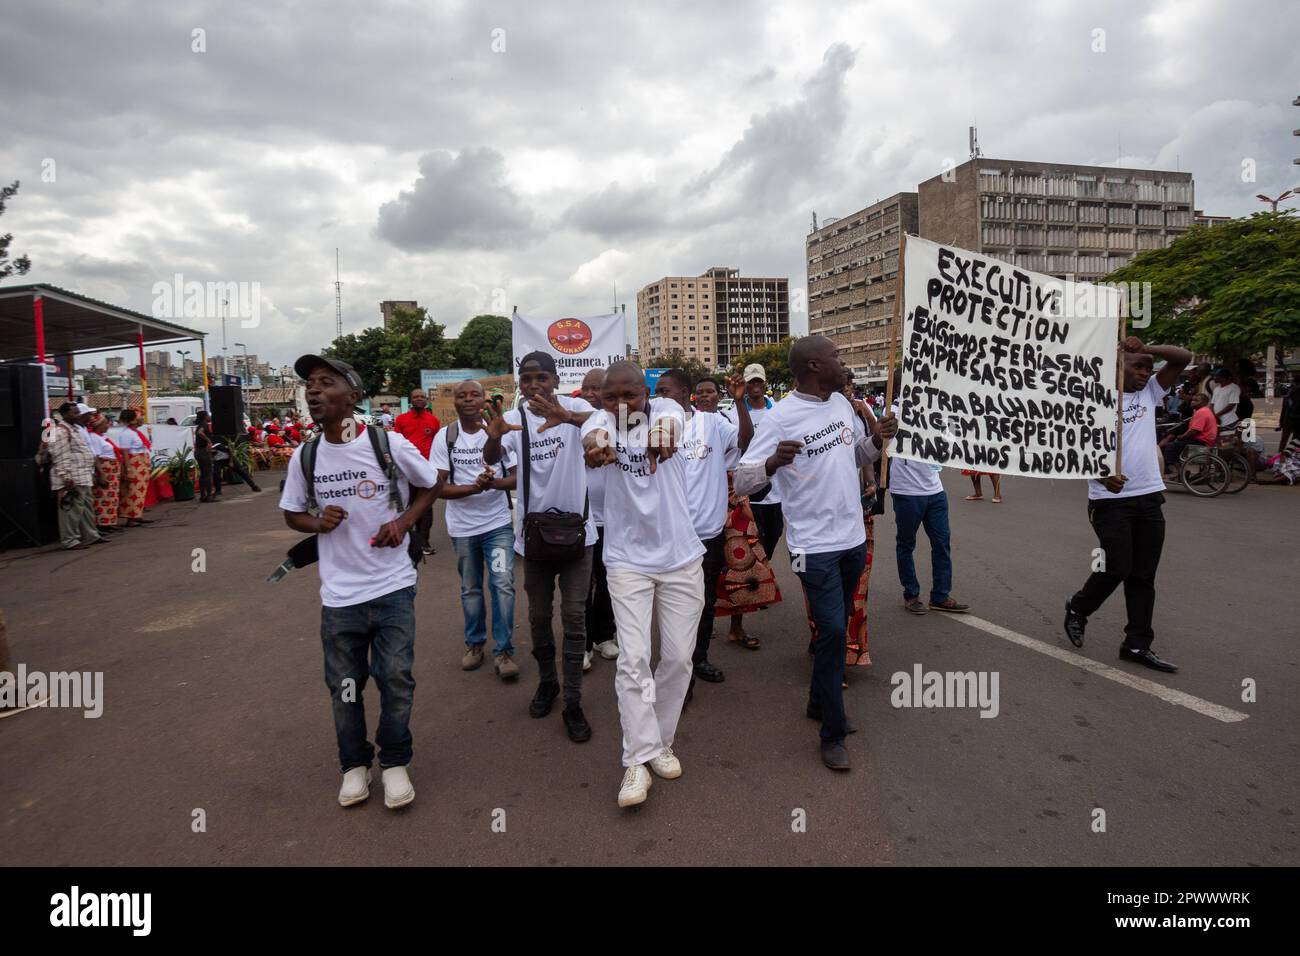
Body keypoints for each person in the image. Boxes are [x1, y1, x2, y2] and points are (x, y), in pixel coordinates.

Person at [280, 355, 438, 810]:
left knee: (395, 679)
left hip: (392, 587)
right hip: (339, 596)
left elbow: (430, 484)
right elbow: (292, 512)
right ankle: (353, 766)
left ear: (352, 396)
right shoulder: (304, 455)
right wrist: (315, 523)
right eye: (310, 384)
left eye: (325, 383)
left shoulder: (386, 445)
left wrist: (405, 522)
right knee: (344, 685)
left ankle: (393, 762)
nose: (314, 391)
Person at [735, 337, 896, 771]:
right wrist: (771, 464)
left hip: (851, 539)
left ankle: (816, 702)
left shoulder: (842, 406)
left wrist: (878, 441)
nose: (843, 362)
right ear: (813, 365)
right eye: (835, 357)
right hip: (811, 547)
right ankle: (833, 732)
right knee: (830, 630)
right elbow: (742, 482)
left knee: (836, 626)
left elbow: (855, 456)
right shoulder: (781, 416)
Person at [581, 361, 700, 807]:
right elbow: (592, 439)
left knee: (678, 658)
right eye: (611, 397)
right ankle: (636, 759)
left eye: (630, 395)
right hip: (627, 561)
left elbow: (669, 427)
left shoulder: (668, 408)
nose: (620, 405)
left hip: (680, 557)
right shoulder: (598, 420)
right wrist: (596, 446)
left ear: (645, 393)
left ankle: (659, 741)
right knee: (634, 658)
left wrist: (661, 440)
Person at [482, 351, 596, 743]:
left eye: (541, 378)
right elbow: (494, 459)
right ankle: (548, 682)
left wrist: (569, 418)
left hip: (580, 535)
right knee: (539, 616)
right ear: (520, 382)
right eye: (527, 379)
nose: (534, 386)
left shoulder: (579, 407)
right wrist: (494, 440)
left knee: (576, 617)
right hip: (533, 538)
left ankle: (573, 702)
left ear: (555, 378)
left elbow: (611, 428)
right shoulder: (516, 419)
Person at [1064, 337, 1191, 673]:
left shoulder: (1150, 392)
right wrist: (1100, 474)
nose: (1145, 373)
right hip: (1110, 500)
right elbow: (1069, 448)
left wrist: (1148, 348)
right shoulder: (1092, 400)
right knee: (1118, 565)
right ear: (1117, 366)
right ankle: (1079, 607)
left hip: (1149, 495)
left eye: (1148, 367)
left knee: (1143, 574)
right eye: (1138, 366)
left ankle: (1137, 643)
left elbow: (1183, 357)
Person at [654, 368, 745, 687]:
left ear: (683, 392)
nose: (659, 397)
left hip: (707, 534)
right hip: (670, 534)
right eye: (657, 391)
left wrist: (741, 403)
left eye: (664, 391)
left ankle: (699, 657)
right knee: (672, 603)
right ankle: (675, 665)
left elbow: (745, 442)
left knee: (704, 601)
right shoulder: (654, 427)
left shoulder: (712, 423)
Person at [431, 380, 519, 681]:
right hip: (463, 529)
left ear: (484, 399)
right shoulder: (445, 437)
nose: (468, 400)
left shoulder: (500, 433)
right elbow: (438, 488)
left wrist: (491, 484)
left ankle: (504, 651)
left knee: (503, 585)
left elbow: (518, 479)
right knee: (471, 589)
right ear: (454, 402)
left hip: (496, 525)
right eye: (461, 396)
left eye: (475, 395)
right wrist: (473, 487)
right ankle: (475, 644)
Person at [887, 368, 970, 615]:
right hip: (906, 491)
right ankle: (911, 594)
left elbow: (951, 437)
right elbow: (886, 440)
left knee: (942, 543)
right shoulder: (893, 413)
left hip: (934, 490)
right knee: (906, 544)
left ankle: (940, 595)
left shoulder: (936, 408)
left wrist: (953, 420)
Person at [580, 368, 619, 665]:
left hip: (614, 520)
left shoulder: (624, 420)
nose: (591, 394)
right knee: (581, 585)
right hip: (581, 520)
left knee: (609, 582)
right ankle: (581, 641)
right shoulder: (569, 420)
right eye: (586, 388)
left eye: (597, 389)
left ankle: (604, 635)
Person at [44, 401, 105, 550]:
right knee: (71, 510)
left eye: (78, 412)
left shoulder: (74, 429)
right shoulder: (60, 431)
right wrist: (66, 477)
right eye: (74, 412)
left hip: (82, 474)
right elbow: (60, 456)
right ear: (65, 414)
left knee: (85, 508)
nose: (78, 415)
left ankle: (90, 536)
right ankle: (70, 540)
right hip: (71, 477)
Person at [740, 364, 783, 564]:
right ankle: (760, 586)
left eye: (758, 381)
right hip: (749, 495)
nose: (755, 385)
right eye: (751, 382)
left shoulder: (780, 411)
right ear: (745, 385)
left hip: (777, 494)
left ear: (765, 383)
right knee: (753, 546)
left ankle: (764, 576)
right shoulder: (735, 414)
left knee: (773, 539)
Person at [394, 388, 442, 555]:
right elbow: (396, 444)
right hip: (406, 471)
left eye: (422, 397)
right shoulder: (401, 420)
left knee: (426, 507)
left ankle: (424, 542)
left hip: (427, 471)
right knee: (408, 505)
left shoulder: (433, 420)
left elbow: (437, 445)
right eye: (416, 397)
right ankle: (408, 539)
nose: (420, 399)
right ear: (411, 400)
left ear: (426, 400)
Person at [1160, 391, 1217, 471]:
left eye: (1196, 400)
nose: (1193, 402)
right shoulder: (1204, 411)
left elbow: (1194, 431)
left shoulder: (1202, 412)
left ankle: (1180, 472)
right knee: (1176, 443)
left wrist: (1182, 436)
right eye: (1193, 400)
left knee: (1170, 447)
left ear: (1204, 402)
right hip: (1205, 439)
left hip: (1201, 440)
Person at [115, 408, 153, 527]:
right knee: (132, 491)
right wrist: (128, 469)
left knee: (140, 490)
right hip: (134, 464)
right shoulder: (126, 434)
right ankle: (131, 518)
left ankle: (137, 515)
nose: (142, 419)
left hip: (141, 463)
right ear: (132, 420)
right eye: (139, 417)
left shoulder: (135, 432)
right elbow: (125, 453)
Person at [85, 414, 122, 533]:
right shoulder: (93, 438)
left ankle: (109, 521)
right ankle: (102, 523)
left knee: (111, 497)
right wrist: (101, 474)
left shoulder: (100, 437)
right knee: (103, 497)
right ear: (98, 425)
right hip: (105, 469)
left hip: (111, 469)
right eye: (106, 423)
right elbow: (95, 456)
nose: (108, 425)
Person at [193, 409, 217, 502]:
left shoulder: (199, 425)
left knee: (203, 474)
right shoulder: (204, 424)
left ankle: (203, 495)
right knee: (208, 474)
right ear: (205, 416)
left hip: (198, 451)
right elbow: (200, 432)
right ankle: (209, 495)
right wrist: (209, 441)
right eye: (208, 415)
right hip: (203, 451)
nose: (209, 417)